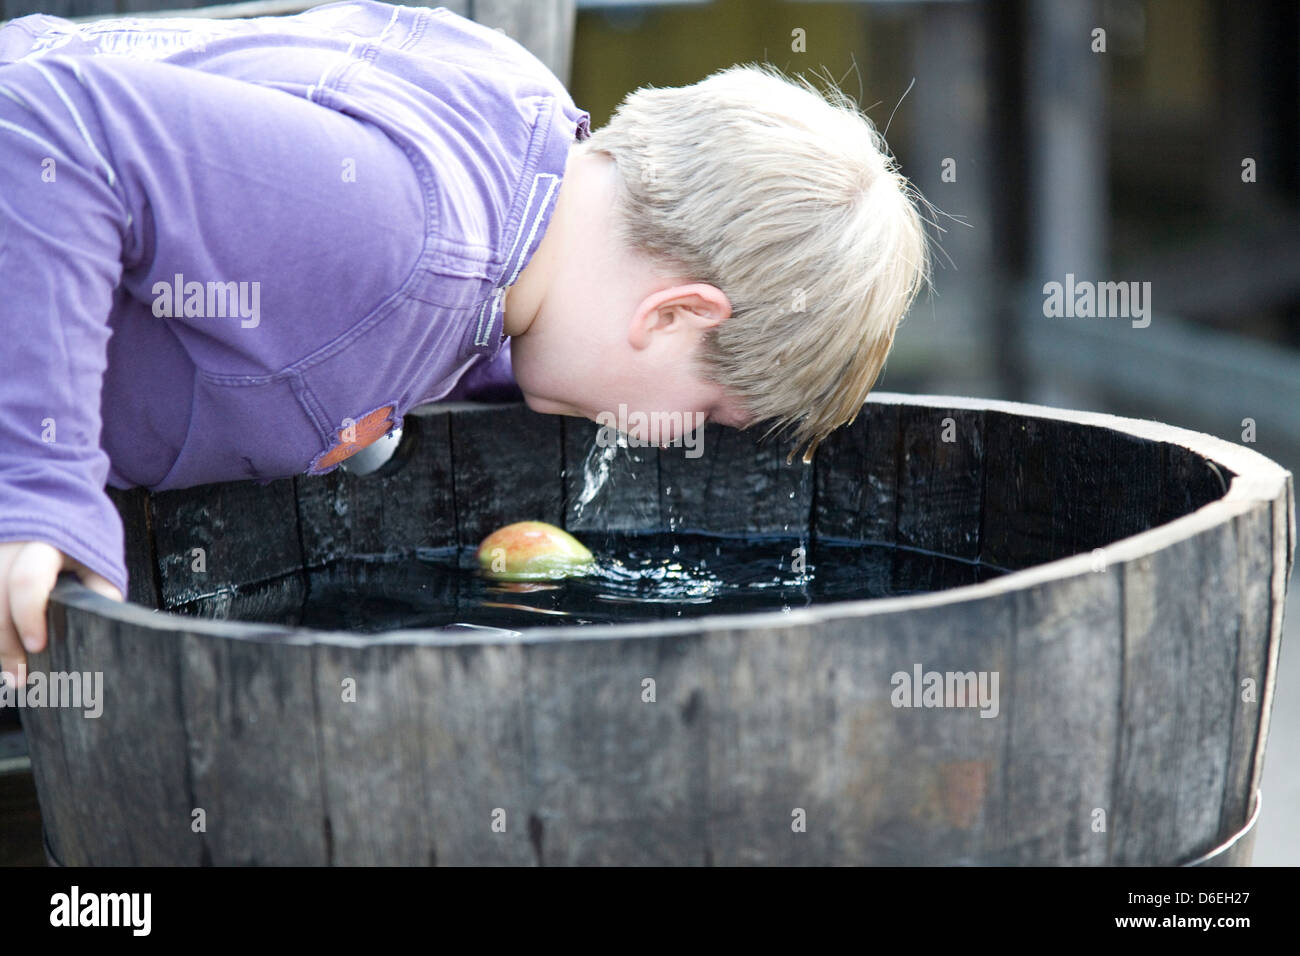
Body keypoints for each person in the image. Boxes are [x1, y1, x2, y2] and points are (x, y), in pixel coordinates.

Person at [0, 0, 930, 683]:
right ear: (677, 314)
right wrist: (38, 491)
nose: (663, 438)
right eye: (706, 412)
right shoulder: (395, 227)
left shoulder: (515, 141)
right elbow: (43, 133)